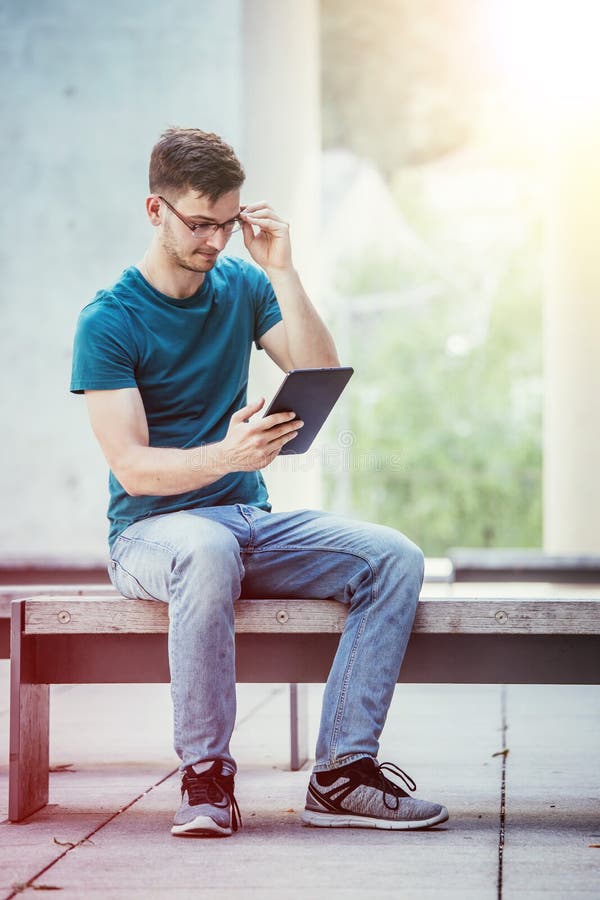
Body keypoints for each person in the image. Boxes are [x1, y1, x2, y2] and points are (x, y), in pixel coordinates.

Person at [70, 127, 448, 837]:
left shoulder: (241, 286)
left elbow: (319, 370)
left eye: (227, 223)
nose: (216, 241)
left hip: (245, 522)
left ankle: (341, 774)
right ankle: (206, 778)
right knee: (206, 552)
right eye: (199, 224)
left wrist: (282, 271)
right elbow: (132, 466)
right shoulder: (109, 320)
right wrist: (227, 457)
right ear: (156, 212)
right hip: (151, 536)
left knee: (393, 557)